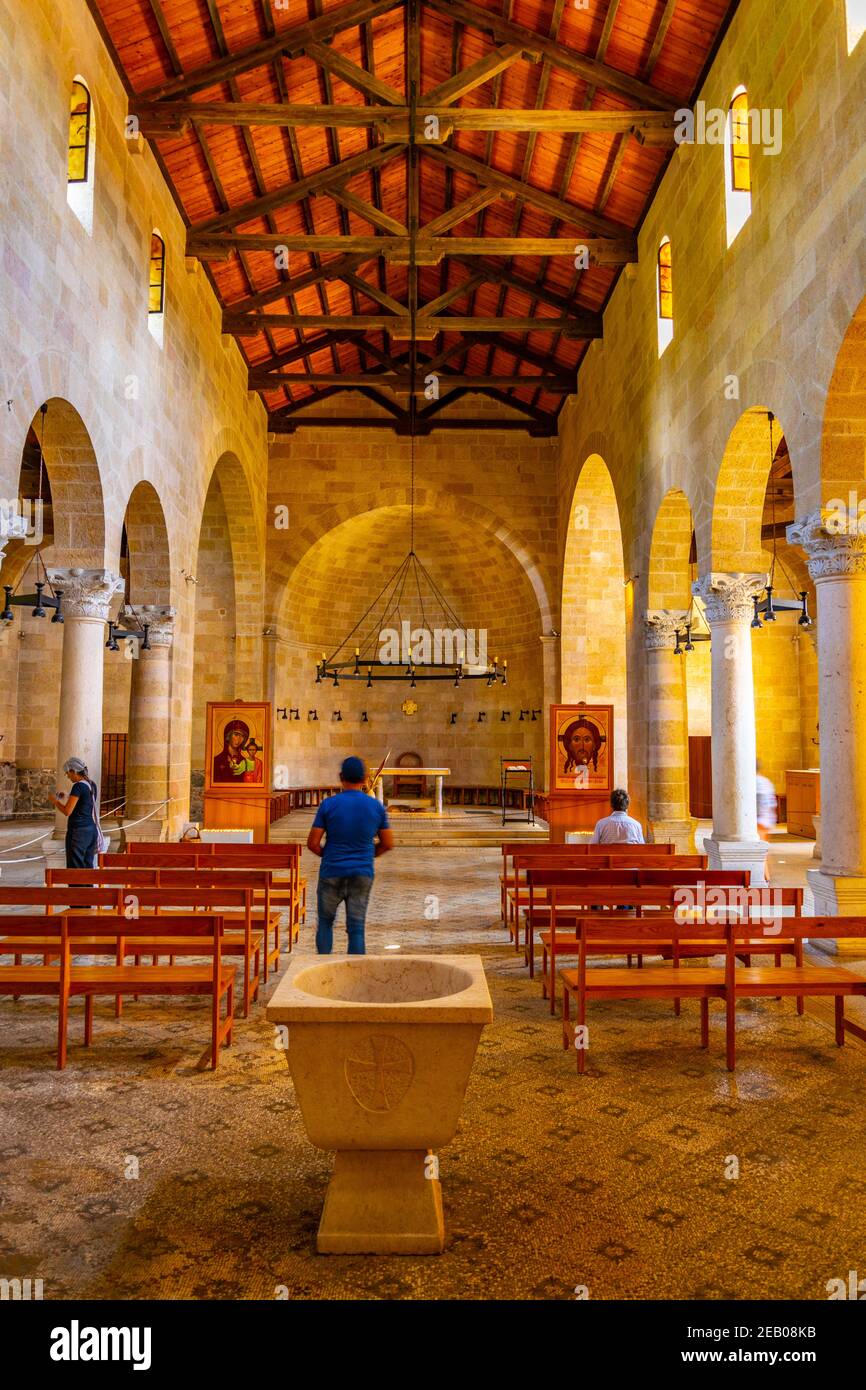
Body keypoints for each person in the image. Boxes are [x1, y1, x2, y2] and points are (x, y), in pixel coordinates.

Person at [307, 755, 394, 955]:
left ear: (341, 777)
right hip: (362, 873)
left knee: (325, 924)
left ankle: (323, 974)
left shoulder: (328, 805)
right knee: (356, 928)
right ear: (365, 779)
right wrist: (367, 855)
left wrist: (329, 854)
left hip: (332, 871)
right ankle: (354, 978)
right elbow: (388, 843)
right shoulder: (376, 807)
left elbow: (312, 843)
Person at [49, 757, 100, 867]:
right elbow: (84, 802)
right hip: (90, 830)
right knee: (87, 867)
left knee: (75, 868)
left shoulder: (78, 786)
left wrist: (55, 801)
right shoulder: (92, 784)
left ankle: (76, 885)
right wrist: (67, 796)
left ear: (73, 771)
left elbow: (67, 811)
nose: (67, 776)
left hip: (78, 832)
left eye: (68, 773)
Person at [212, 719, 262, 783]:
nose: (239, 739)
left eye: (242, 736)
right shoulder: (217, 760)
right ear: (228, 736)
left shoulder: (244, 761)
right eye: (236, 734)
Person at [755, 762, 778, 841]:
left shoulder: (755, 781)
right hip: (765, 817)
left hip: (759, 818)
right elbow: (772, 804)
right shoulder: (765, 781)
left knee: (758, 845)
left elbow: (760, 801)